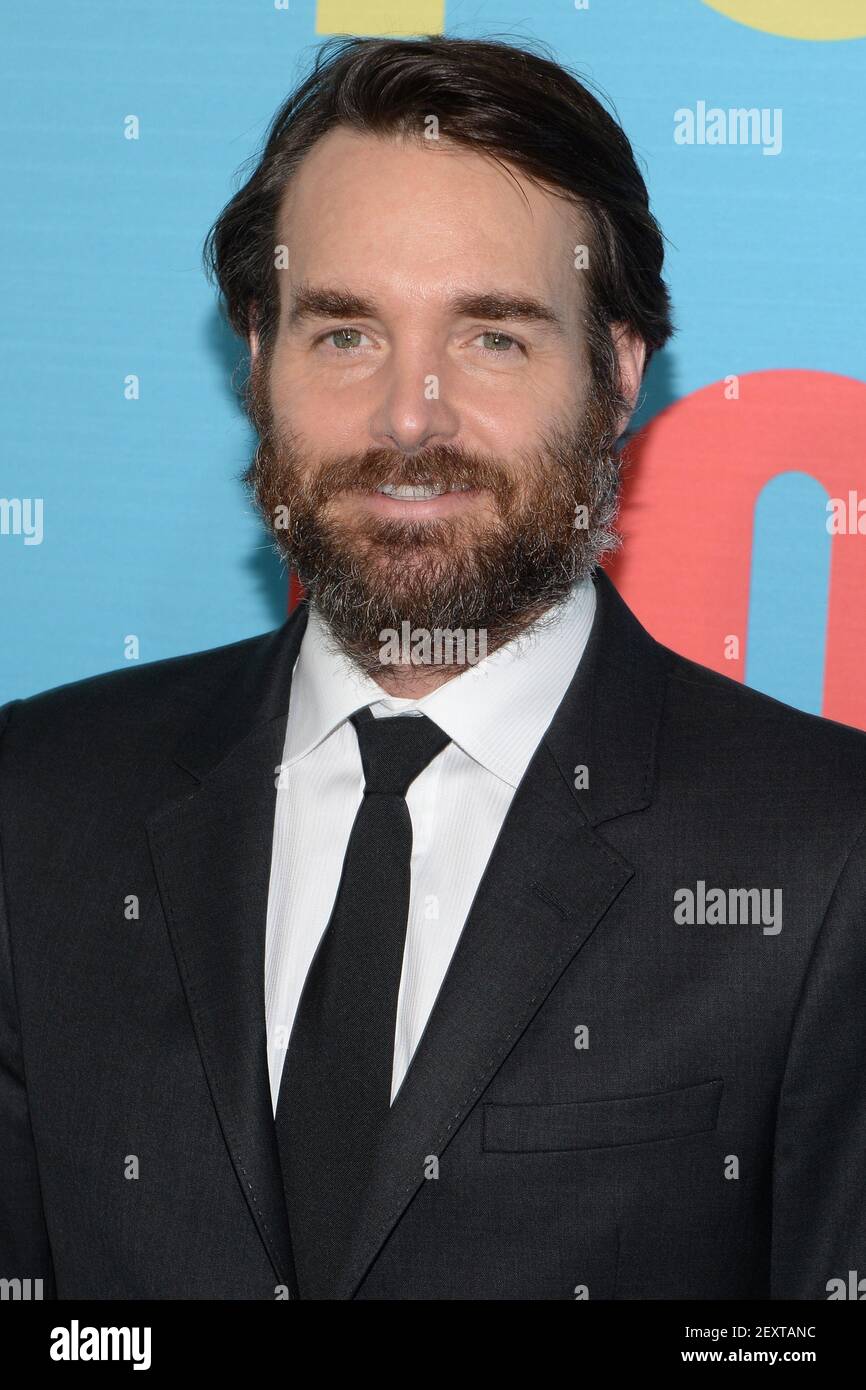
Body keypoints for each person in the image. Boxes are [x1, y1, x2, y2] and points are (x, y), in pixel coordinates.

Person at [2, 34, 865, 1302]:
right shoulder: (37, 804)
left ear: (616, 372)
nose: (410, 417)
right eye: (345, 333)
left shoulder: (821, 850)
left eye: (494, 339)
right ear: (257, 359)